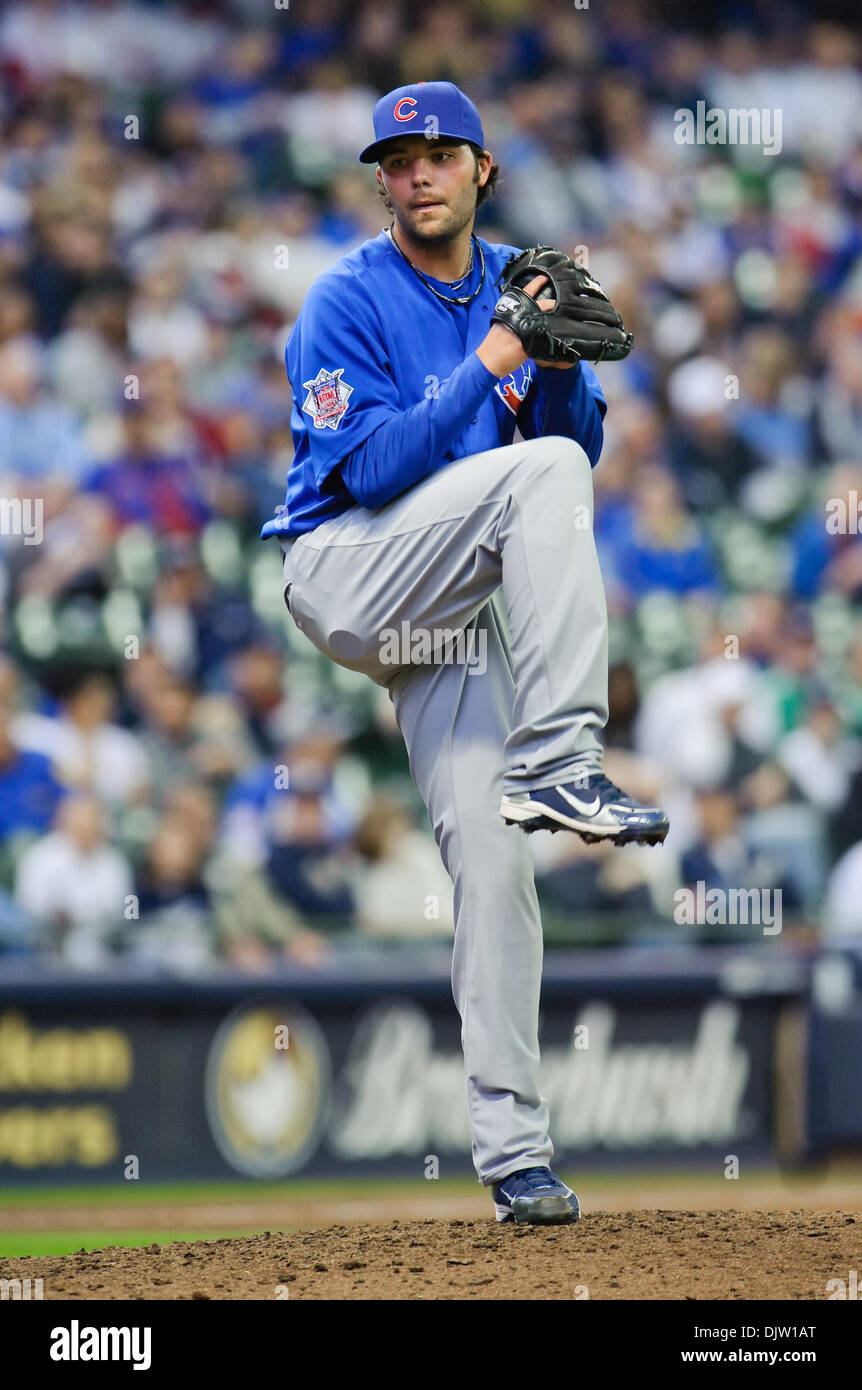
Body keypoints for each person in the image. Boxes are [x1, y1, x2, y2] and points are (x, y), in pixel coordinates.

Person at [261, 81, 670, 1225]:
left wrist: (541, 360)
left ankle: (513, 1158)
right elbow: (381, 470)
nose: (417, 172)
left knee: (495, 870)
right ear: (379, 180)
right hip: (345, 565)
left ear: (481, 168)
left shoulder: (516, 280)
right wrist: (496, 351)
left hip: (449, 603)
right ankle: (564, 751)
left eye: (439, 153)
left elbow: (573, 435)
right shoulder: (344, 296)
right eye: (396, 159)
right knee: (540, 481)